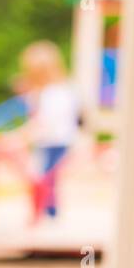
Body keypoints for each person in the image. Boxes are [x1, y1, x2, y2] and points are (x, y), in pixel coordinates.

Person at [15, 41, 80, 223]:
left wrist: (25, 135)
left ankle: (46, 214)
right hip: (54, 139)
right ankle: (48, 213)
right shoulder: (60, 89)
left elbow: (46, 121)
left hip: (54, 140)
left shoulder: (54, 93)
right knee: (47, 178)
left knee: (43, 178)